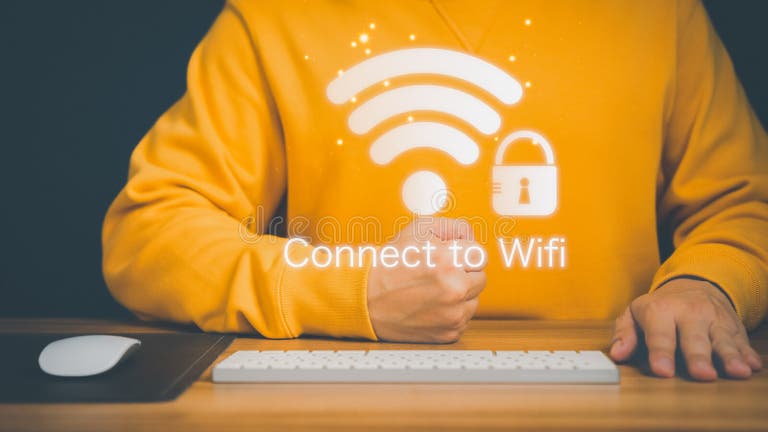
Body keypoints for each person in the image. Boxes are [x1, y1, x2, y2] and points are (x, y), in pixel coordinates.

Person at [103, 0, 767, 381]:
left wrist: (706, 285)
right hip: (345, 398)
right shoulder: (274, 18)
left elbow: (744, 203)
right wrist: (347, 288)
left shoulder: (655, 14)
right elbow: (150, 231)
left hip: (614, 391)